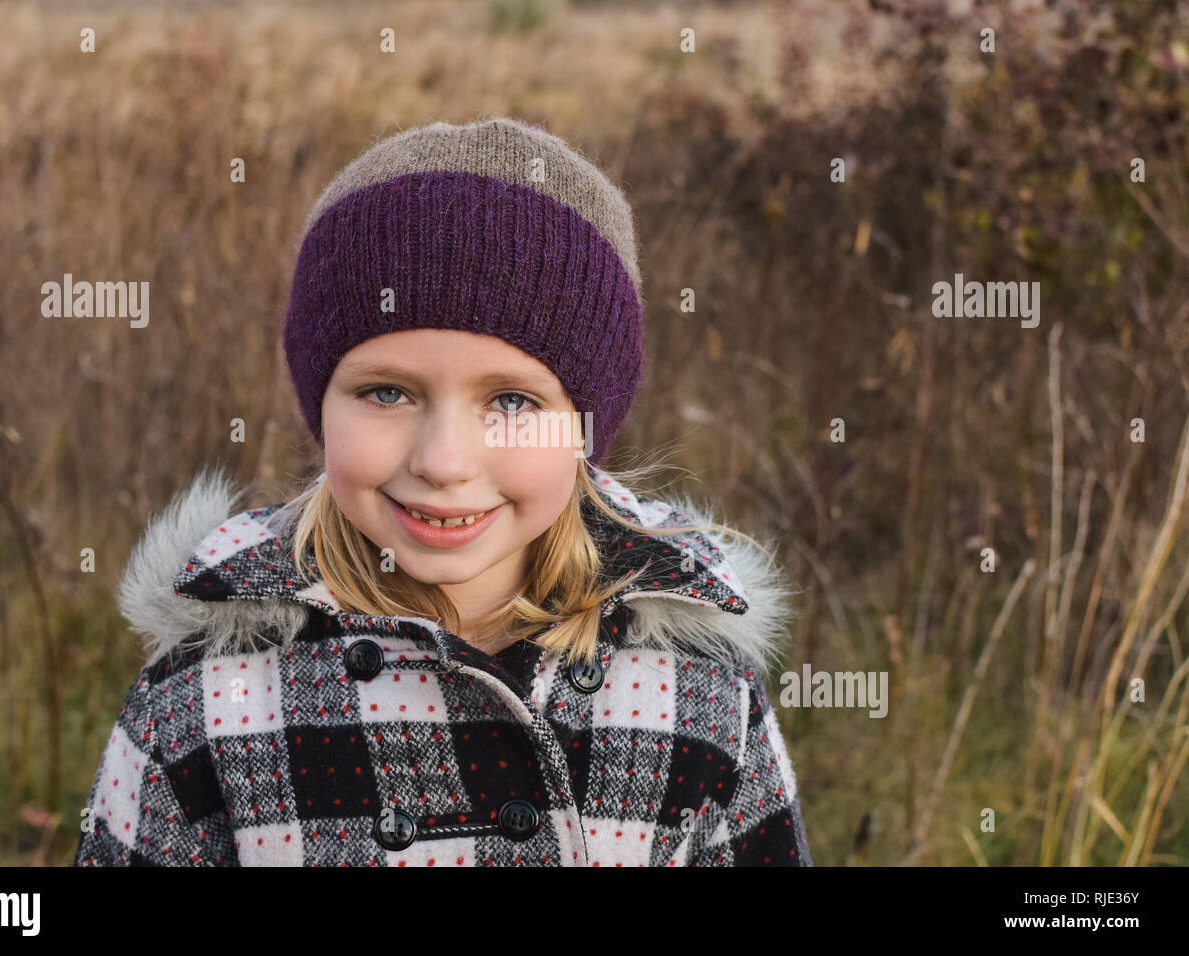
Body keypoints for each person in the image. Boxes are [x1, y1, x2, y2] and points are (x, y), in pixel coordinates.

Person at [73, 116, 812, 867]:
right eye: (387, 393)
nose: (445, 461)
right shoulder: (203, 702)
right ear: (318, 407)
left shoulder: (699, 695)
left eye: (513, 403)